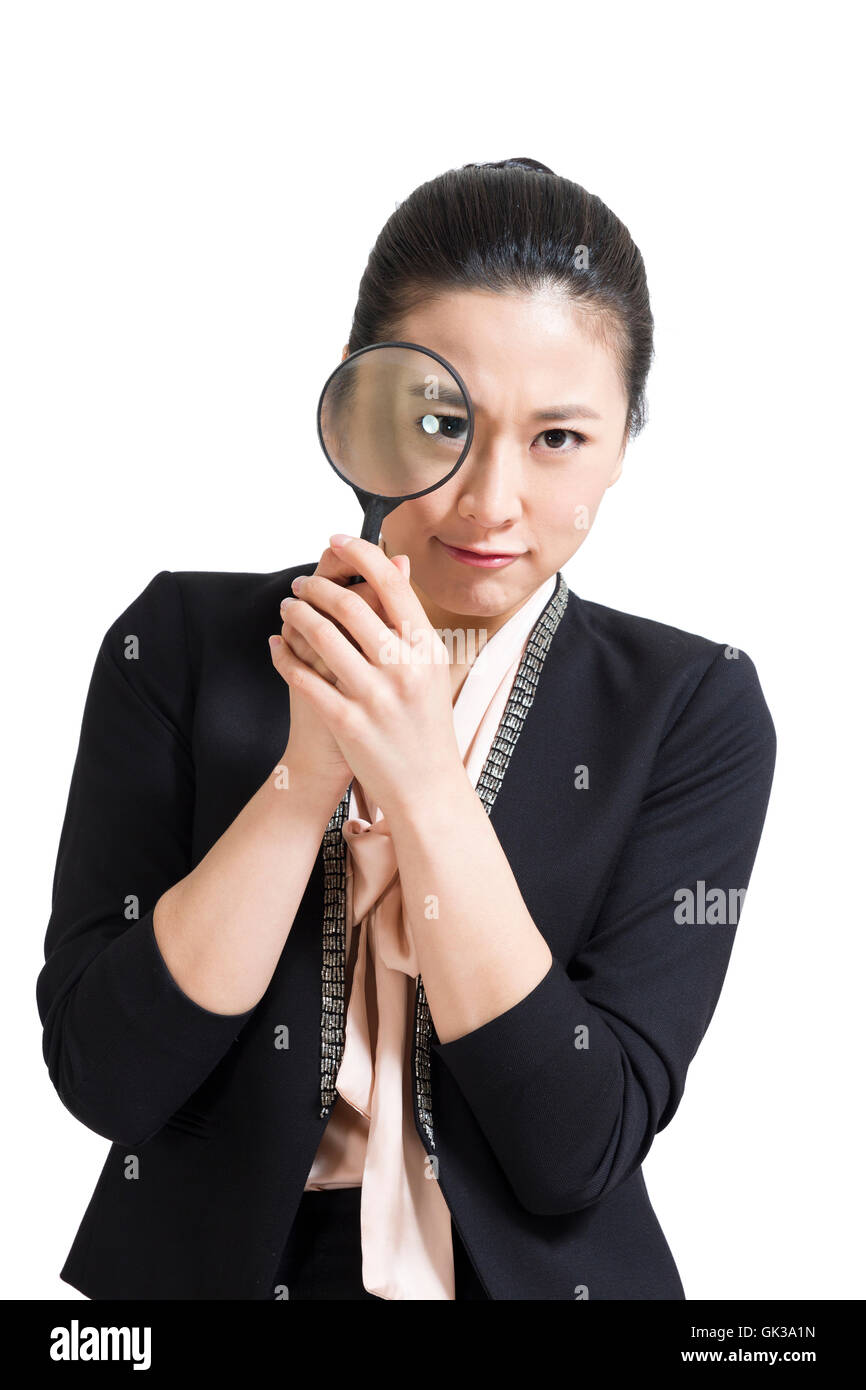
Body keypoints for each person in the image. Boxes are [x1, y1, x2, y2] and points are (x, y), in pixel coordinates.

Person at [37, 157, 776, 1300]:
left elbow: (574, 1145)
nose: (489, 500)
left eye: (558, 438)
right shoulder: (177, 643)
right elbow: (108, 1080)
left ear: (625, 440)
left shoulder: (690, 706)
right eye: (444, 420)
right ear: (358, 401)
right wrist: (300, 779)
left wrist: (427, 792)